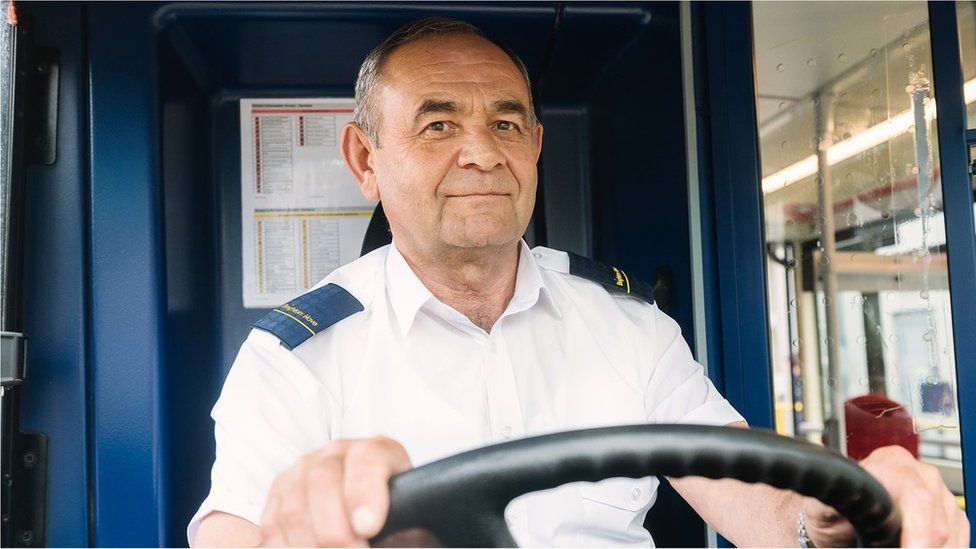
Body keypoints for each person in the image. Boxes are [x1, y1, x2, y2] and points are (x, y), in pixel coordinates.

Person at [189, 17, 969, 548]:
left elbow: (748, 487)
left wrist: (828, 517)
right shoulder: (295, 355)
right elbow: (231, 530)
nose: (481, 153)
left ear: (534, 146)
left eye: (504, 124)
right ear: (365, 161)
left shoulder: (631, 326)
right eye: (437, 125)